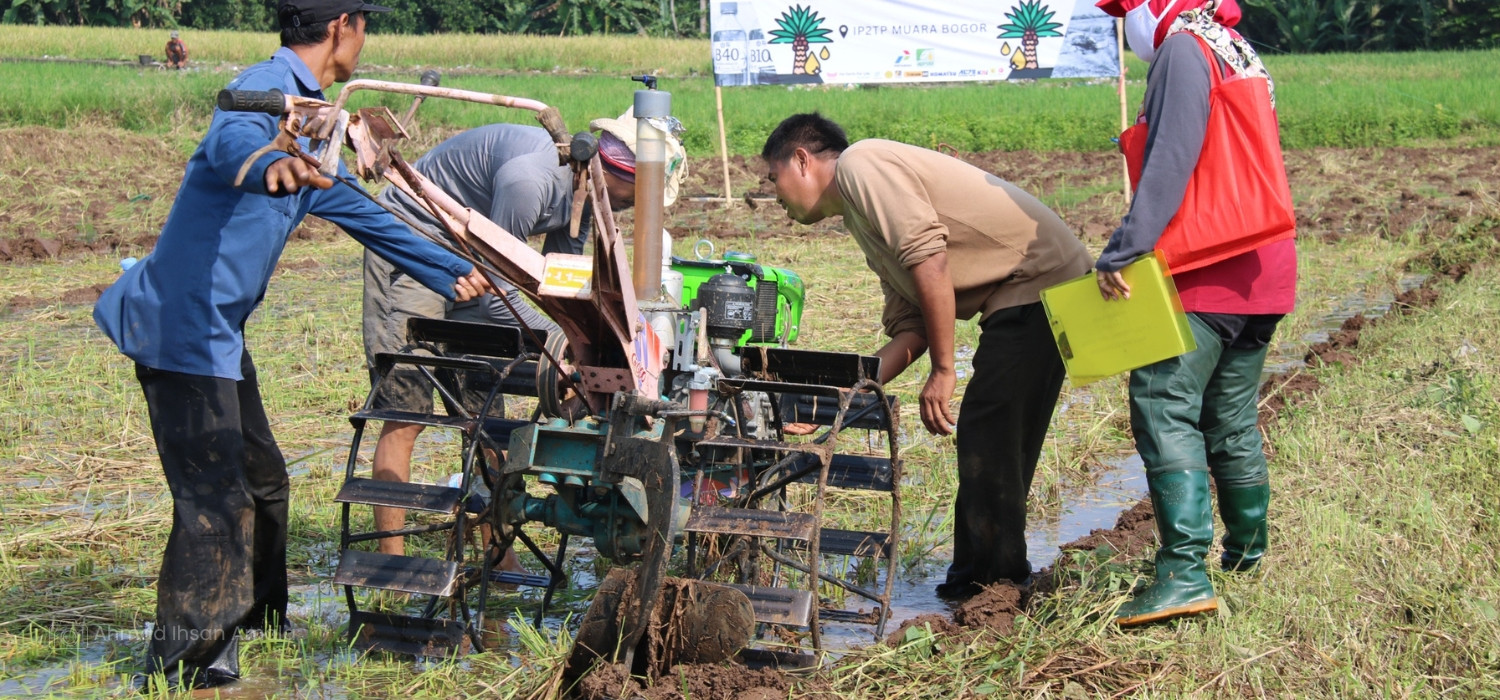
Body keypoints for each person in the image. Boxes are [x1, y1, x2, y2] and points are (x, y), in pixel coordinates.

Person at [92, 0, 493, 690]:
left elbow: (366, 215)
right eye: (366, 29)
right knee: (216, 502)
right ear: (344, 25)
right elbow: (229, 144)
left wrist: (457, 270)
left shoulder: (315, 128)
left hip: (219, 334)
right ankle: (185, 662)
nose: (366, 43)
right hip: (180, 331)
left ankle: (256, 621)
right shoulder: (266, 93)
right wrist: (263, 165)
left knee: (266, 481)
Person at [761, 114, 1093, 599]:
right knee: (992, 433)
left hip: (1041, 284)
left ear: (802, 159)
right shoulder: (861, 215)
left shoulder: (861, 164)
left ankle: (994, 587)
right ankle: (980, 582)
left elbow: (929, 259)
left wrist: (944, 369)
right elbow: (910, 327)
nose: (774, 195)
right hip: (1025, 293)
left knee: (991, 432)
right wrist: (833, 405)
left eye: (773, 178)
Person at [363, 113, 686, 559]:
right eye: (635, 199)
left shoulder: (587, 195)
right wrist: (563, 346)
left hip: (472, 261)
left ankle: (497, 554)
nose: (632, 211)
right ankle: (388, 563)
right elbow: (498, 298)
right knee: (407, 409)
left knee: (486, 418)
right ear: (617, 173)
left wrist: (587, 349)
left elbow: (558, 288)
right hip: (414, 243)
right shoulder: (529, 182)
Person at [1092, 0, 1297, 626]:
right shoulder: (1231, 44)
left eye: (1121, 13)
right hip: (1265, 268)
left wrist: (1124, 249)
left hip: (1210, 267)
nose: (1123, 29)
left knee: (1162, 399)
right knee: (1228, 417)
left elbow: (1173, 156)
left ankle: (1183, 573)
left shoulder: (1184, 47)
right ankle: (1246, 556)